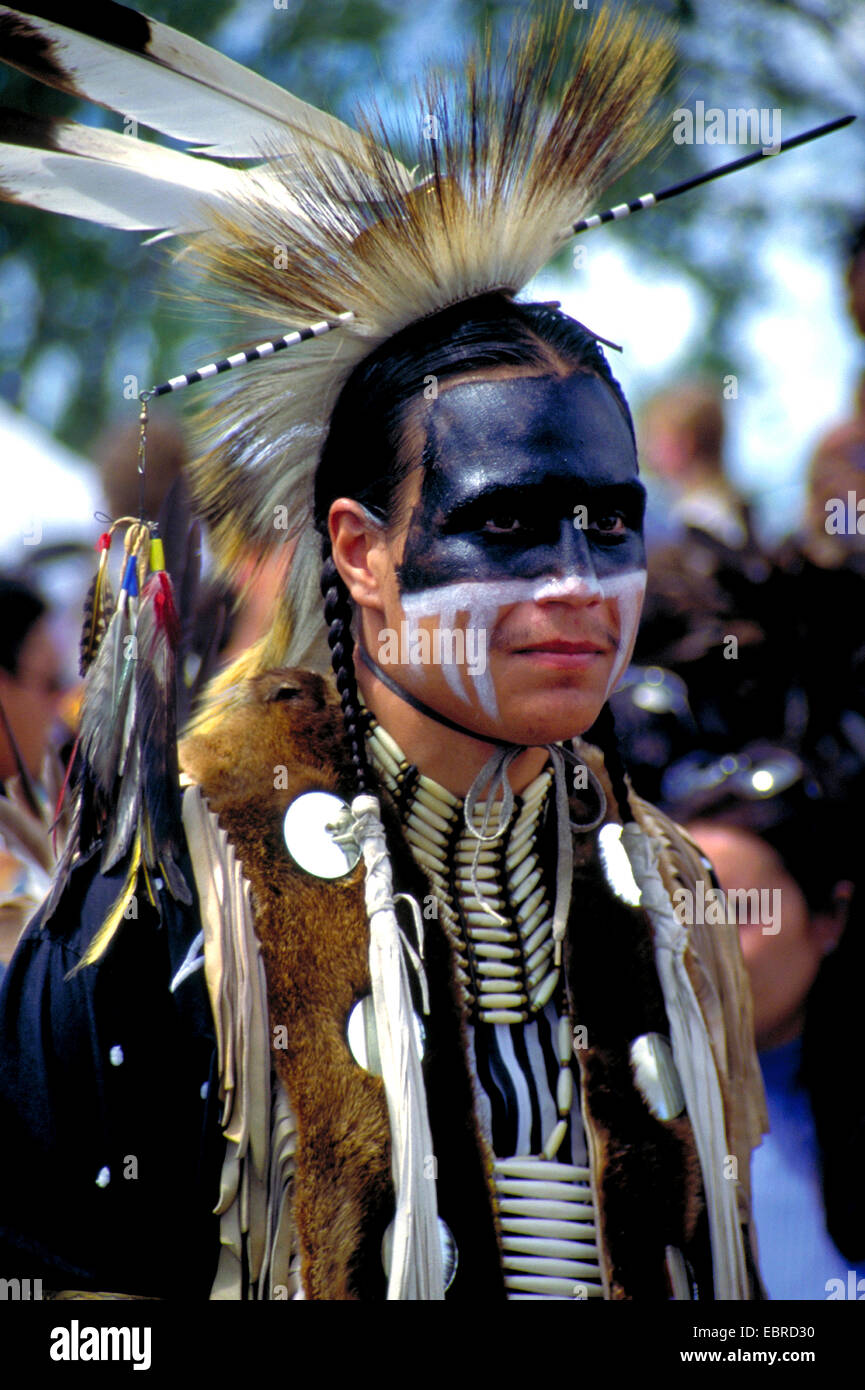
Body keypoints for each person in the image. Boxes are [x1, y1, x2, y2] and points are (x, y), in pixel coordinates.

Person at [0, 6, 768, 1301]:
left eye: (613, 524)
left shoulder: (669, 897)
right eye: (508, 524)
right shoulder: (171, 899)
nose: (579, 584)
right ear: (359, 550)